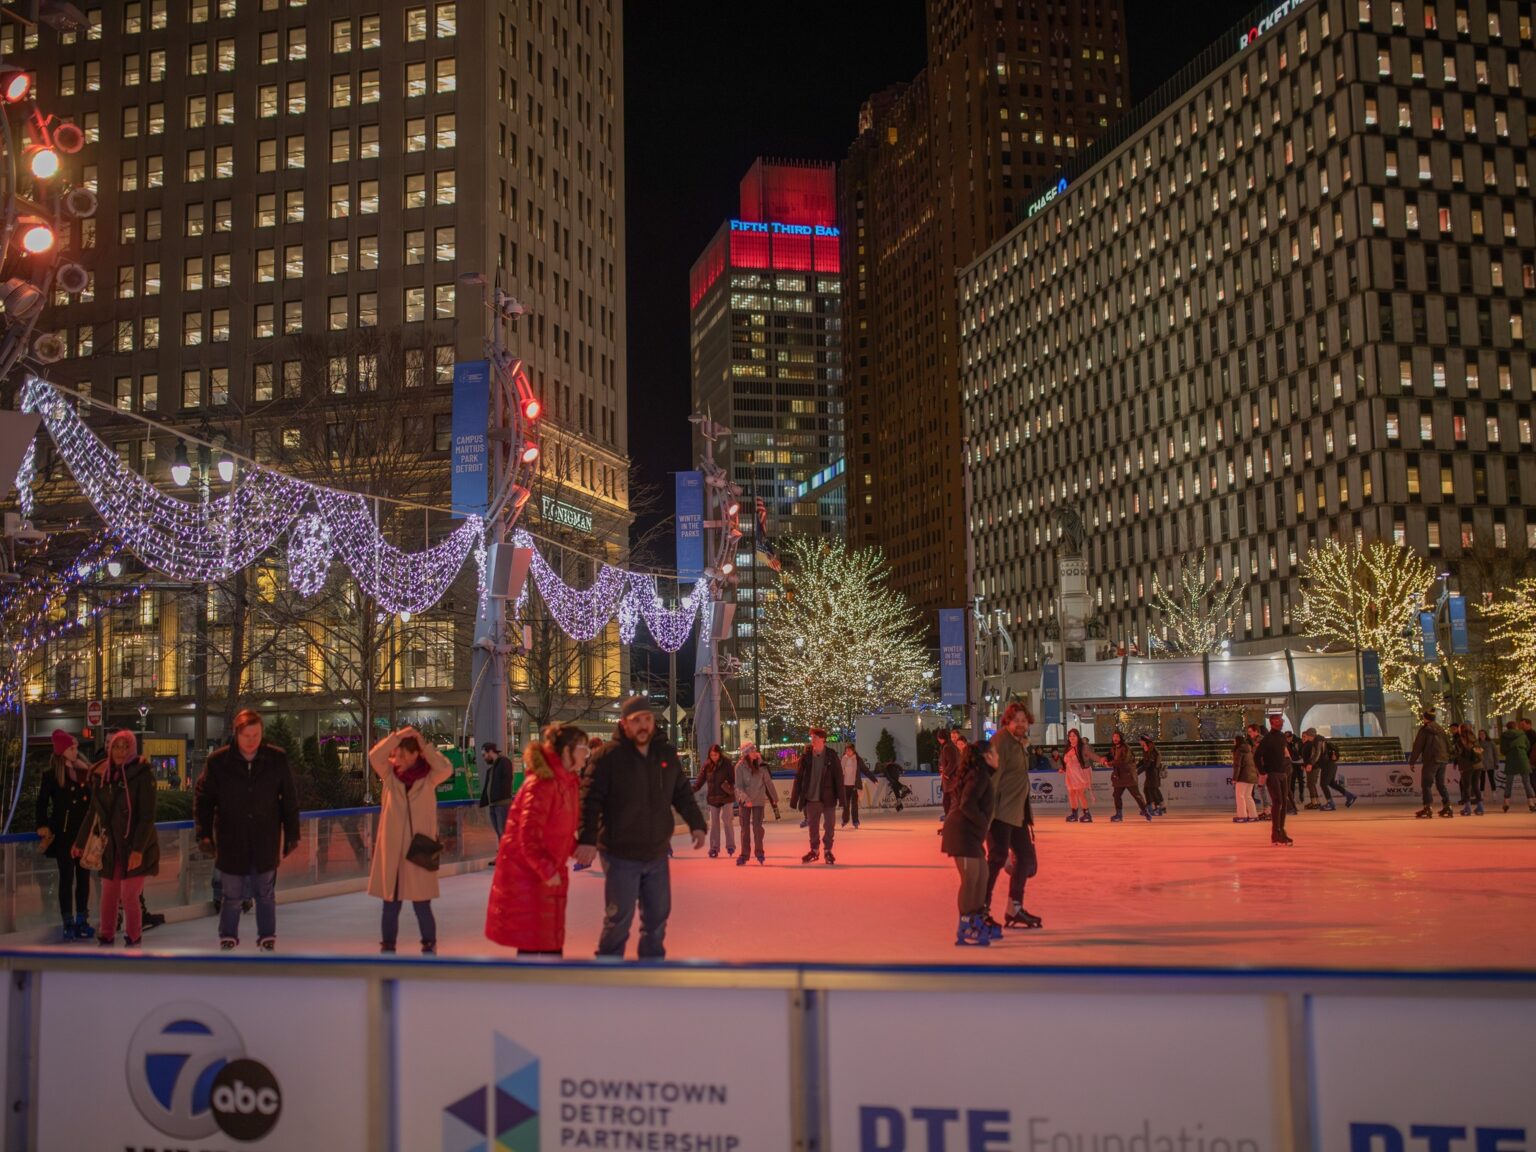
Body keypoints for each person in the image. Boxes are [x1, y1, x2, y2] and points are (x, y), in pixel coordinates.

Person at [575, 696, 706, 960]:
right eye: (637, 721)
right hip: (619, 851)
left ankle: (652, 964)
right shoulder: (607, 757)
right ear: (624, 724)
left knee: (658, 916)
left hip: (656, 850)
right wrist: (587, 839)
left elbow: (681, 791)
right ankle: (609, 964)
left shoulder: (665, 754)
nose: (643, 725)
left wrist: (697, 823)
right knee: (619, 916)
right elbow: (590, 801)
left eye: (647, 719)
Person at [196, 709, 300, 952]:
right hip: (232, 839)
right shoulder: (219, 762)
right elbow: (204, 800)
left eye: (257, 735)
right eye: (247, 735)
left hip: (265, 838)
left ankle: (267, 937)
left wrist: (292, 834)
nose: (252, 740)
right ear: (237, 735)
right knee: (231, 894)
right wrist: (204, 833)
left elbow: (290, 800)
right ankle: (228, 937)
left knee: (265, 893)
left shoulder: (276, 759)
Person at [485, 723, 586, 957]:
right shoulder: (541, 784)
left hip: (547, 874)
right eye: (583, 748)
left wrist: (575, 848)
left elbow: (558, 830)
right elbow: (528, 835)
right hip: (529, 878)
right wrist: (548, 870)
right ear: (567, 751)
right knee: (533, 940)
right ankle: (530, 989)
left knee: (547, 939)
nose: (586, 754)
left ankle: (546, 988)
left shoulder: (566, 783)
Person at [368, 726, 453, 954]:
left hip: (421, 847)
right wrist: (396, 737)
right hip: (393, 849)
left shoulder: (429, 778)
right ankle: (388, 947)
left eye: (404, 754)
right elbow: (374, 755)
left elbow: (446, 768)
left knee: (422, 904)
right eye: (396, 754)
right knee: (390, 904)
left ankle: (429, 945)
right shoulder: (389, 776)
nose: (398, 759)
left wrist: (424, 745)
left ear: (417, 755)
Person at [75, 730, 158, 947]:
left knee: (130, 895)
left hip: (135, 845)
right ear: (109, 749)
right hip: (111, 847)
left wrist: (138, 850)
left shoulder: (142, 774)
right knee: (109, 894)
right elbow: (93, 812)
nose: (121, 751)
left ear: (132, 748)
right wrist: (80, 842)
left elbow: (147, 816)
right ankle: (107, 934)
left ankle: (133, 936)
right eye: (116, 747)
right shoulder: (103, 777)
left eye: (125, 747)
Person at [984, 702, 1041, 931]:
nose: (1020, 724)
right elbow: (991, 781)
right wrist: (987, 820)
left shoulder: (1019, 743)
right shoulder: (1000, 742)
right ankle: (981, 910)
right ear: (1007, 721)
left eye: (1024, 720)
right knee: (997, 859)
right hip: (1000, 814)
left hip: (1017, 814)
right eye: (1016, 720)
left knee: (1025, 859)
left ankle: (1013, 907)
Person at [38, 730, 95, 942]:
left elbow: (93, 802)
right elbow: (42, 803)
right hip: (63, 835)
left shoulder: (85, 771)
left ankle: (82, 918)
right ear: (62, 751)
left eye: (76, 747)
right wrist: (42, 825)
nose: (76, 751)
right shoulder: (52, 775)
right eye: (72, 748)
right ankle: (68, 920)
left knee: (83, 878)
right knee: (66, 877)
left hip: (84, 834)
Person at [943, 739, 997, 947]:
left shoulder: (982, 775)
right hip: (961, 832)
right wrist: (984, 824)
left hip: (971, 832)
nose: (998, 757)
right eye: (995, 753)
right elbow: (967, 804)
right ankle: (965, 925)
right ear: (986, 757)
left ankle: (976, 919)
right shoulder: (978, 775)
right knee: (971, 878)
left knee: (981, 876)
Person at [790, 727, 845, 864]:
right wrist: (794, 798)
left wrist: (842, 799)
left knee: (829, 825)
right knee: (813, 826)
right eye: (811, 737)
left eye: (815, 737)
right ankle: (814, 850)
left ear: (822, 739)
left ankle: (827, 850)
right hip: (811, 797)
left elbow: (839, 778)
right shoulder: (806, 757)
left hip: (828, 797)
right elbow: (799, 778)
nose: (812, 740)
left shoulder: (831, 756)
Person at [733, 742, 780, 865]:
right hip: (745, 802)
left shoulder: (761, 765)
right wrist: (745, 799)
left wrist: (774, 797)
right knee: (745, 829)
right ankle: (744, 855)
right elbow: (738, 787)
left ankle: (759, 852)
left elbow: (768, 782)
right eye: (752, 750)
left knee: (757, 828)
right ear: (746, 753)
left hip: (758, 800)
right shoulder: (739, 767)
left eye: (755, 750)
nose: (755, 752)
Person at [1255, 715, 1294, 846]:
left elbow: (1284, 753)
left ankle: (1281, 832)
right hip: (1272, 774)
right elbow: (1257, 756)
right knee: (1277, 802)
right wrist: (1262, 772)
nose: (1281, 723)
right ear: (1272, 723)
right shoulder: (1267, 739)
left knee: (1283, 803)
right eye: (1278, 721)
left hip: (1282, 773)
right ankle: (1276, 833)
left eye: (1281, 721)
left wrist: (1286, 766)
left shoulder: (1282, 737)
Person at [1408, 709, 1453, 819]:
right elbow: (1448, 745)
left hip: (1431, 760)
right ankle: (1448, 805)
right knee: (1441, 784)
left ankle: (1427, 807)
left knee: (1426, 784)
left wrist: (1412, 761)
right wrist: (1448, 757)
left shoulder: (1425, 730)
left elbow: (1418, 745)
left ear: (1426, 718)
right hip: (1442, 760)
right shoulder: (1441, 729)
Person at [694, 744, 737, 858]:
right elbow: (701, 779)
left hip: (726, 796)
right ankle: (714, 848)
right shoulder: (707, 765)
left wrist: (728, 786)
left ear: (720, 754)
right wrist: (693, 789)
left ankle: (730, 845)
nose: (714, 757)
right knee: (714, 824)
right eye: (711, 755)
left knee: (727, 821)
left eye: (716, 754)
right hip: (713, 797)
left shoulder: (727, 763)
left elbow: (733, 779)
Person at [478, 741, 517, 857]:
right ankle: (502, 855)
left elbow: (507, 781)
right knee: (499, 832)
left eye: (484, 755)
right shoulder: (491, 769)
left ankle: (507, 856)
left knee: (503, 831)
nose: (484, 758)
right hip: (493, 803)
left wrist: (500, 795)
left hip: (502, 803)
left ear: (490, 752)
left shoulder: (504, 762)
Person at [1106, 731, 1152, 823]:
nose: (1115, 738)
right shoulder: (1113, 748)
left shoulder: (1125, 748)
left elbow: (1123, 761)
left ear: (1121, 738)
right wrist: (1104, 758)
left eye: (1117, 737)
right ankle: (1119, 814)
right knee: (1116, 795)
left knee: (1136, 795)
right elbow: (1110, 756)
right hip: (1119, 777)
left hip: (1128, 776)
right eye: (1114, 737)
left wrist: (1109, 764)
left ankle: (1146, 812)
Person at [1311, 728, 1358, 811]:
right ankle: (1349, 796)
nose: (1305, 738)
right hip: (1331, 765)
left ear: (1311, 735)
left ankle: (1330, 803)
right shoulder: (1322, 740)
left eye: (1306, 736)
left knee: (1323, 784)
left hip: (1327, 766)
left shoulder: (1317, 741)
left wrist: (1310, 764)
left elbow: (1318, 755)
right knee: (1332, 783)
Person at [1061, 728, 1101, 822]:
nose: (1072, 738)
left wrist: (1101, 760)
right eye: (1070, 736)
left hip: (1079, 773)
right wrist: (1063, 768)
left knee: (1080, 793)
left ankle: (1087, 814)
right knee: (1071, 793)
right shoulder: (1068, 748)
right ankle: (1074, 814)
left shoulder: (1082, 747)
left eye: (1074, 736)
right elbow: (1066, 762)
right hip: (1070, 774)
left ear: (1078, 737)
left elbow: (1091, 755)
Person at [1499, 720, 1534, 812]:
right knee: (1526, 782)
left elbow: (1503, 750)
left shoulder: (1504, 736)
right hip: (1522, 758)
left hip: (1511, 759)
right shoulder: (1522, 734)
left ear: (1507, 727)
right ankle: (1531, 803)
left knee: (1509, 782)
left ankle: (1506, 803)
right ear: (1516, 727)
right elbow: (1528, 746)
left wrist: (1509, 751)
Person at [839, 742, 876, 828]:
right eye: (846, 750)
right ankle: (845, 820)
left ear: (853, 751)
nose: (847, 752)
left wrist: (874, 779)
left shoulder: (857, 760)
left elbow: (865, 770)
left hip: (854, 786)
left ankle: (855, 821)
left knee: (854, 804)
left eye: (849, 750)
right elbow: (838, 773)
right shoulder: (843, 759)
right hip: (845, 785)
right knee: (846, 805)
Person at [1453, 723, 1484, 816]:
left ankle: (1467, 808)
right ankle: (1480, 807)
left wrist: (1461, 767)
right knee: (1476, 786)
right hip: (1478, 765)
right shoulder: (1475, 739)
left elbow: (1460, 755)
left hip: (1467, 766)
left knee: (1466, 786)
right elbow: (1480, 752)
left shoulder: (1460, 741)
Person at [1232, 732, 1258, 823]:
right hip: (1251, 776)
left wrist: (1235, 778)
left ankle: (1242, 816)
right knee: (1248, 796)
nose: (1233, 743)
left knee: (1240, 796)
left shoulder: (1239, 750)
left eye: (1234, 741)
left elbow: (1237, 765)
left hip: (1243, 776)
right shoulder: (1249, 750)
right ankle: (1253, 815)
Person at [936, 729, 960, 828]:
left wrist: (946, 773)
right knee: (948, 802)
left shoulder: (947, 747)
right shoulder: (949, 746)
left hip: (950, 780)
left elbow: (953, 762)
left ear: (940, 738)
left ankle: (951, 825)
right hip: (950, 780)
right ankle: (950, 824)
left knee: (948, 803)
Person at [1137, 735, 1165, 816]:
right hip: (1149, 773)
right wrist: (1135, 766)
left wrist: (1137, 772)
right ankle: (1149, 808)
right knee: (1146, 789)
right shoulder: (1145, 749)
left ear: (1144, 741)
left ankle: (1159, 808)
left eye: (1140, 740)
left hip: (1154, 773)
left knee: (1153, 790)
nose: (1139, 742)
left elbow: (1148, 764)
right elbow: (1143, 761)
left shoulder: (1152, 750)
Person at [1479, 728, 1500, 804]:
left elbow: (1495, 753)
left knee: (1491, 779)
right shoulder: (1478, 744)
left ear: (1486, 734)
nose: (1482, 735)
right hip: (1481, 764)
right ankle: (1481, 794)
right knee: (1482, 779)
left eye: (1483, 734)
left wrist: (1496, 762)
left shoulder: (1491, 743)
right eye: (1480, 734)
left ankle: (1494, 793)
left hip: (1490, 763)